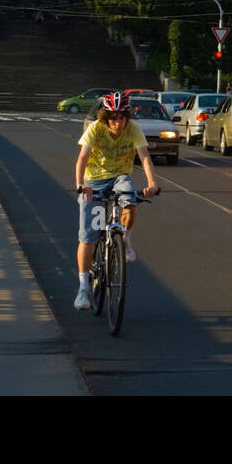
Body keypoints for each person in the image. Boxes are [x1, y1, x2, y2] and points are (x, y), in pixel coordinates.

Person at [73, 91, 159, 310]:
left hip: (120, 177)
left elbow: (145, 157)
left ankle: (126, 240)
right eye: (113, 118)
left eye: (121, 117)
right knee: (89, 237)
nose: (117, 123)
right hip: (94, 181)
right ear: (105, 117)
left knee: (130, 198)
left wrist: (151, 183)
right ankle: (83, 289)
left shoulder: (134, 130)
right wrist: (81, 184)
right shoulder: (95, 129)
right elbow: (82, 158)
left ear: (126, 117)